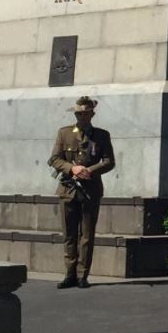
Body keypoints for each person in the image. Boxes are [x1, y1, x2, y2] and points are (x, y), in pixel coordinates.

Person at [48, 96, 115, 288]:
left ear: (92, 114)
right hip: (68, 189)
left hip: (90, 189)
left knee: (86, 234)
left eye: (86, 113)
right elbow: (54, 159)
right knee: (69, 233)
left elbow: (109, 161)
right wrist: (72, 169)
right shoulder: (65, 133)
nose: (83, 116)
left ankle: (82, 275)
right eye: (79, 113)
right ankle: (69, 273)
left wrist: (89, 171)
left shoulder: (101, 135)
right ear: (75, 114)